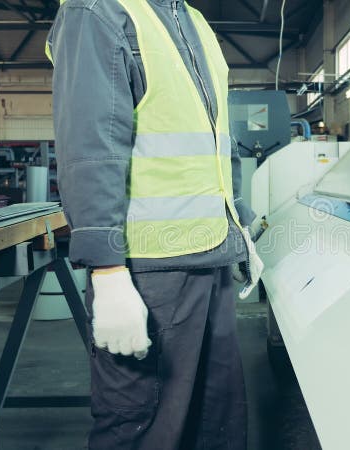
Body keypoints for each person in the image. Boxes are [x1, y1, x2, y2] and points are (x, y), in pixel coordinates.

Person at [46, 0, 264, 448]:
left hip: (211, 256)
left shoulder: (194, 20)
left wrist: (239, 230)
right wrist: (107, 274)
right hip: (148, 269)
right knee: (144, 428)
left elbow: (217, 141)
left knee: (214, 420)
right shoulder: (97, 12)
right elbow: (91, 149)